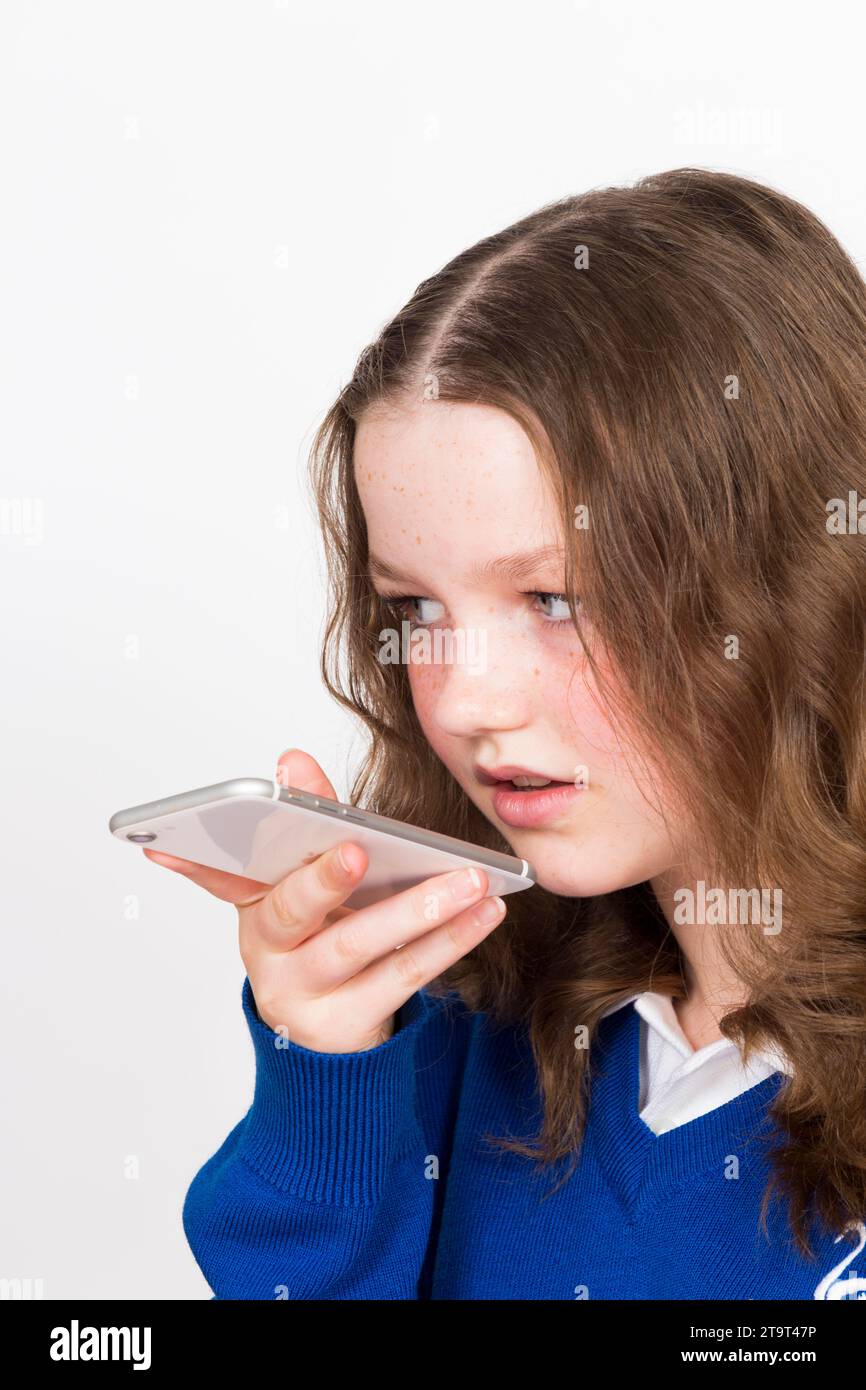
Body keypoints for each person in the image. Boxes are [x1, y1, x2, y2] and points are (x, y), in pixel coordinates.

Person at [148, 167, 866, 1299]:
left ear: (787, 584)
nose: (465, 700)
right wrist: (330, 1078)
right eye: (416, 609)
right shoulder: (454, 1037)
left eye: (553, 600)